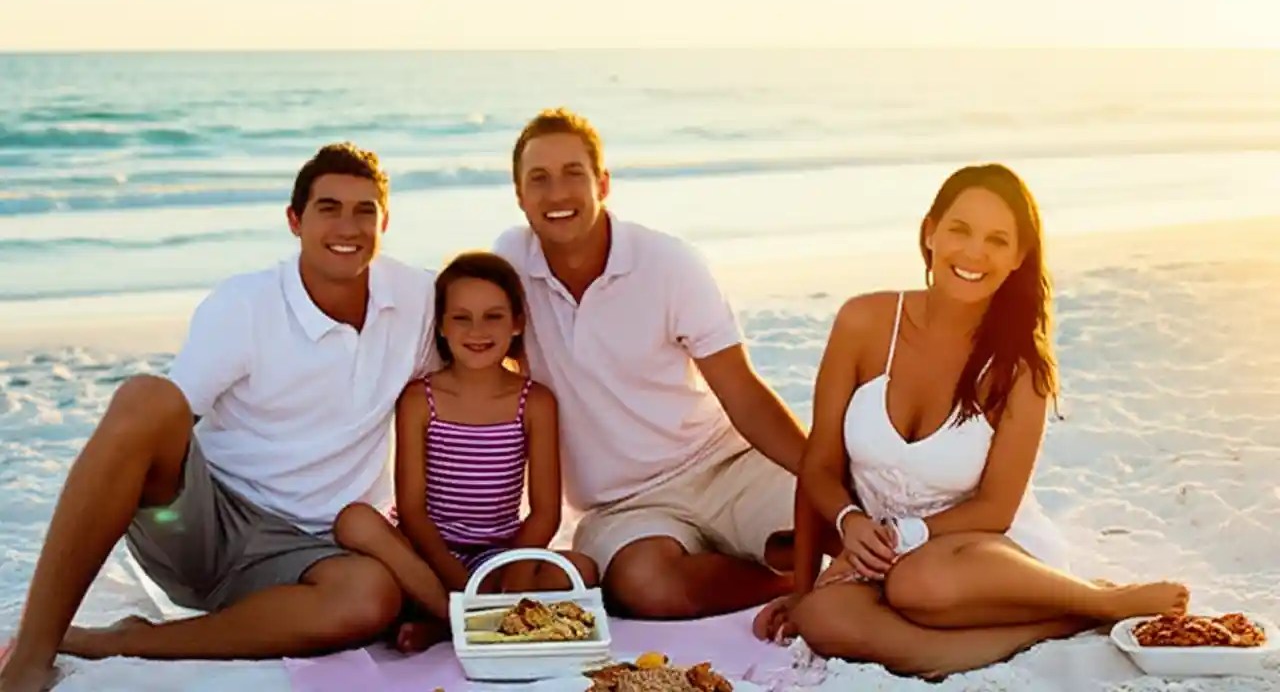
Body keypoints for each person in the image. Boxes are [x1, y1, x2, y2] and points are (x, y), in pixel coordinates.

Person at [0, 143, 435, 692]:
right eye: (328, 208)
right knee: (145, 398)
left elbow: (492, 356)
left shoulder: (419, 300)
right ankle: (32, 654)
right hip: (206, 524)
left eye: (364, 210)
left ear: (386, 221)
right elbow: (159, 427)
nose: (347, 226)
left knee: (371, 597)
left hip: (315, 551)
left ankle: (123, 641)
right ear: (295, 221)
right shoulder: (245, 304)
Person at [752, 164, 1190, 678]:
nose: (973, 253)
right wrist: (821, 567)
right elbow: (819, 466)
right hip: (880, 556)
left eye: (997, 240)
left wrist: (903, 537)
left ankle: (1095, 600)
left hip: (980, 554)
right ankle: (1047, 627)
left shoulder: (1022, 368)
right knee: (823, 619)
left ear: (1017, 257)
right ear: (929, 233)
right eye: (959, 229)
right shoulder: (863, 323)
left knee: (918, 584)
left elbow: (996, 510)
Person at [493, 108, 808, 620]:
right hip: (624, 506)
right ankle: (790, 581)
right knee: (645, 588)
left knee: (826, 529)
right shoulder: (509, 265)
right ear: (519, 196)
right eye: (539, 179)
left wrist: (826, 481)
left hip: (722, 464)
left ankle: (797, 563)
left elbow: (742, 392)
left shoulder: (668, 263)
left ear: (603, 183)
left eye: (574, 174)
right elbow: (473, 368)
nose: (557, 194)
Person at [331, 251, 598, 651]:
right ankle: (465, 616)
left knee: (583, 568)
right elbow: (413, 508)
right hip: (425, 554)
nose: (477, 330)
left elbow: (545, 513)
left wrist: (514, 570)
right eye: (461, 317)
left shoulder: (535, 402)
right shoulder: (420, 399)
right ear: (440, 325)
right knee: (354, 520)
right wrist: (453, 576)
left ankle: (445, 620)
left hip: (496, 555)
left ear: (517, 323)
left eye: (493, 316)